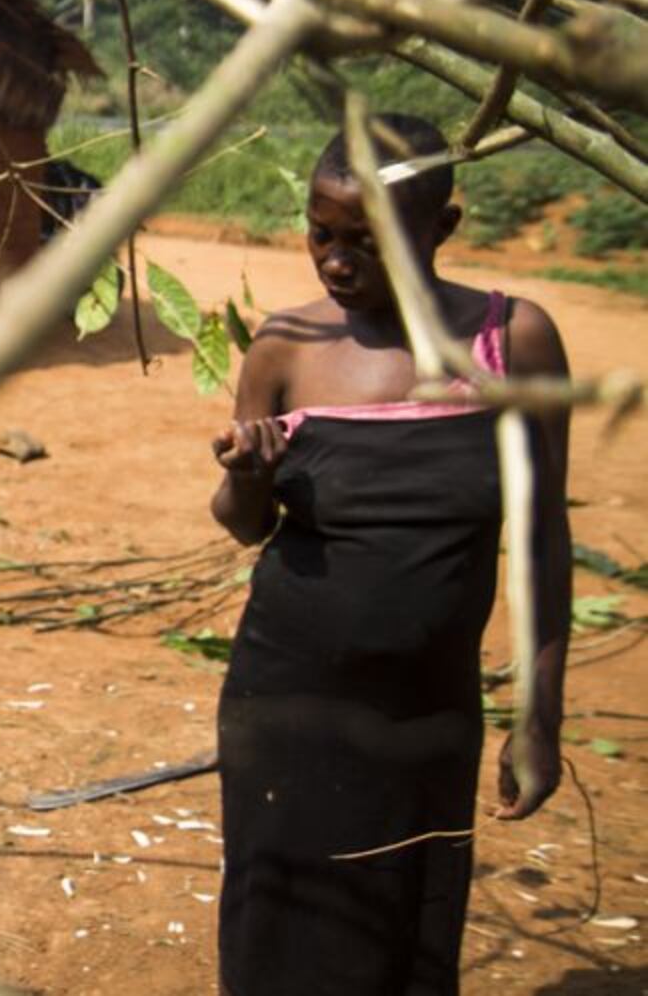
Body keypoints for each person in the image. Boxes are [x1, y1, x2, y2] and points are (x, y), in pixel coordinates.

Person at [209, 115, 572, 996]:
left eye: (368, 243)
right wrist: (250, 479)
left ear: (442, 228)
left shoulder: (511, 343)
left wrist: (540, 716)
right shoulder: (285, 347)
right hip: (286, 702)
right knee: (280, 932)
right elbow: (242, 525)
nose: (335, 262)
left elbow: (543, 537)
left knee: (405, 927)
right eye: (322, 233)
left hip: (425, 713)